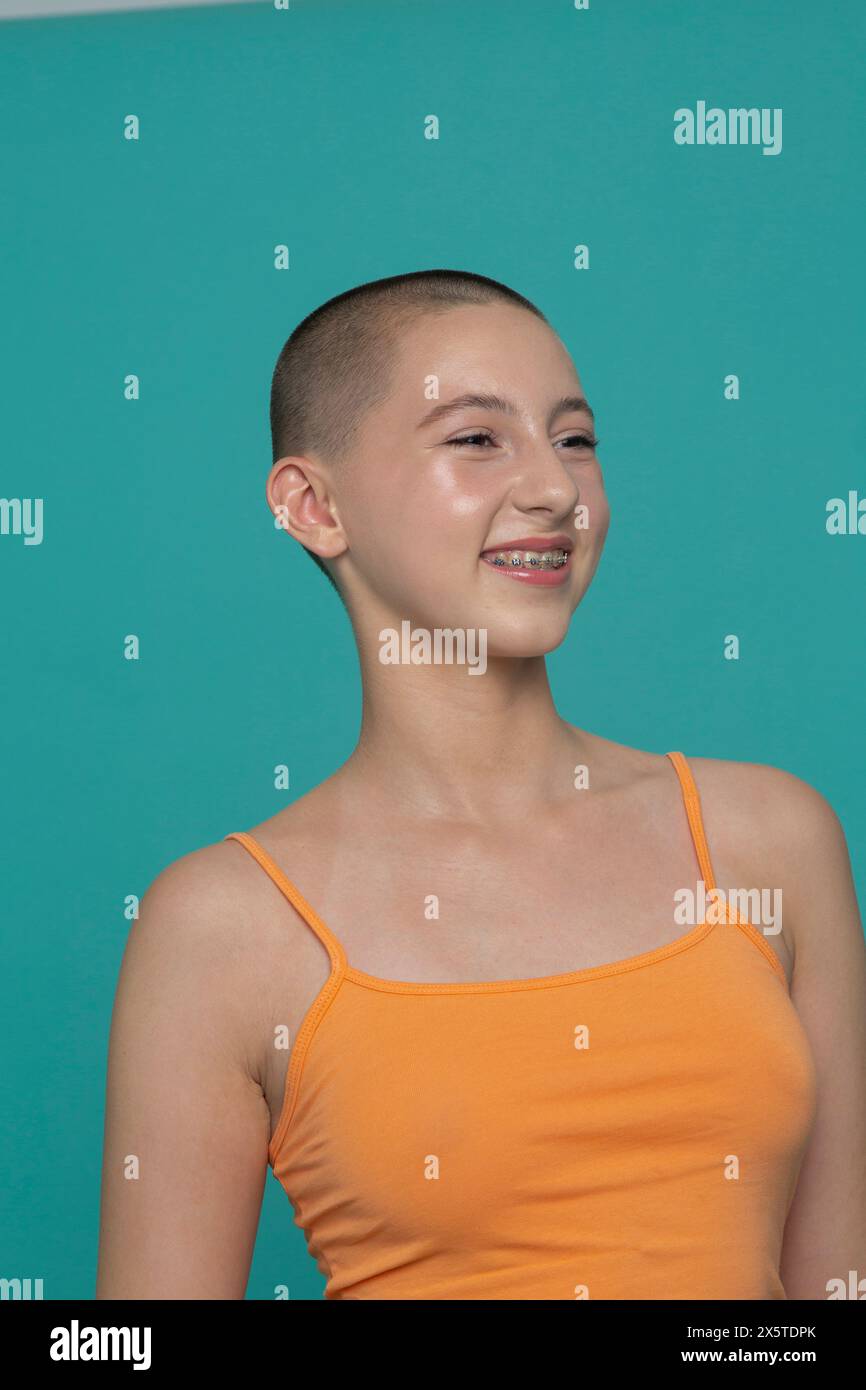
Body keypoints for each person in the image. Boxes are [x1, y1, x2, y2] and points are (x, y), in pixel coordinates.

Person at [96, 269, 866, 1300]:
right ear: (312, 505)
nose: (554, 488)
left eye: (575, 438)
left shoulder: (770, 837)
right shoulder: (220, 925)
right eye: (474, 438)